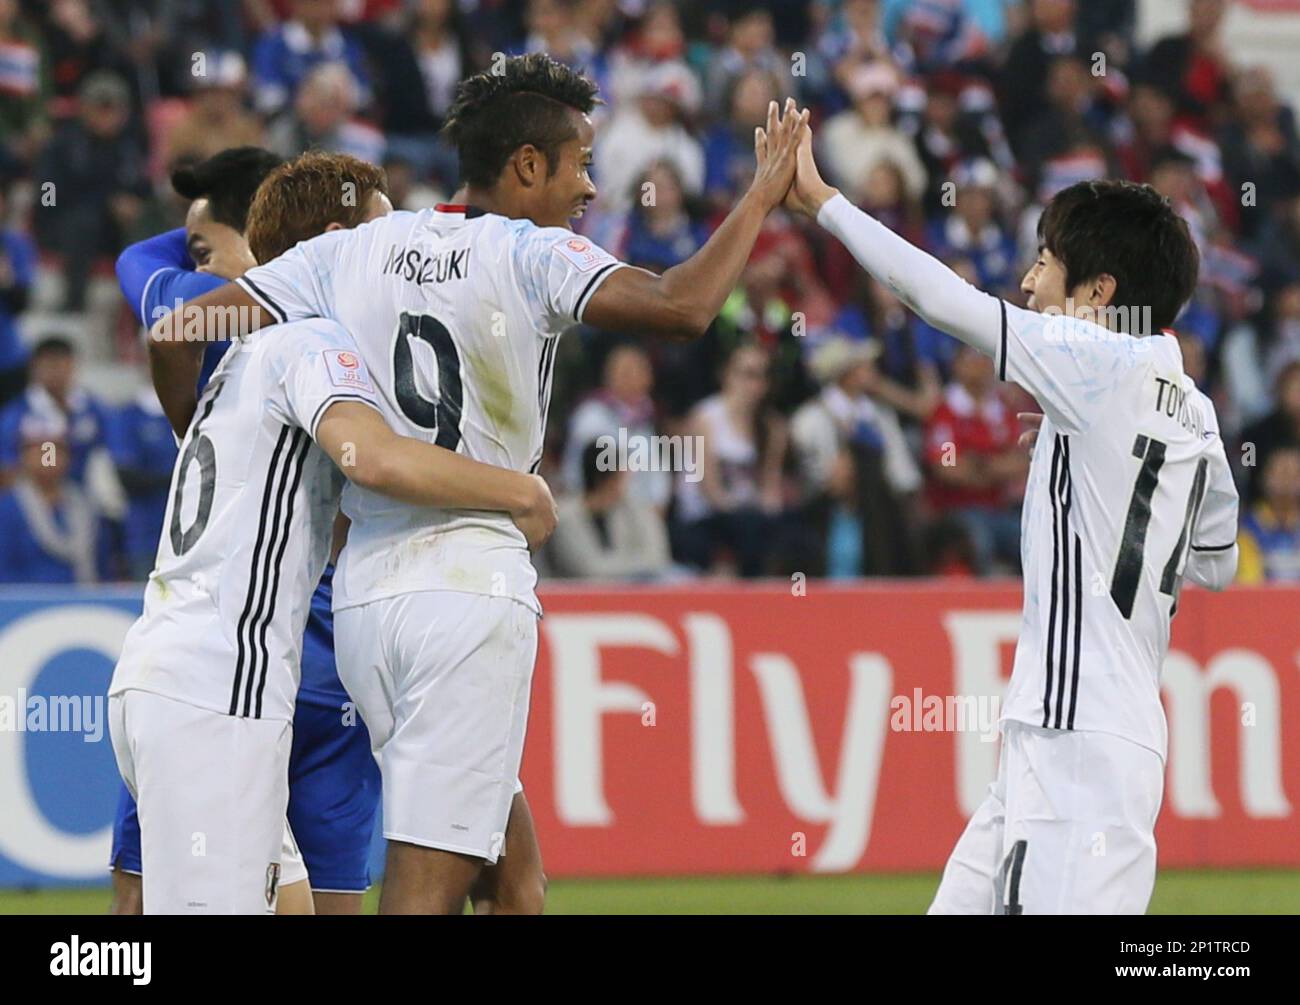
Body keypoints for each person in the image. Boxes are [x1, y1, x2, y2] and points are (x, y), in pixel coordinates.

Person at [151, 53, 807, 913]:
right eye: (578, 163)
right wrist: (761, 193)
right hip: (469, 586)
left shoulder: (352, 250)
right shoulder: (534, 254)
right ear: (526, 165)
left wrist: (194, 431)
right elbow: (685, 305)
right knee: (427, 889)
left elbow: (178, 329)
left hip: (364, 603)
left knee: (514, 882)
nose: (589, 187)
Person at [784, 122, 1239, 913]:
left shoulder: (1098, 359)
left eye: (1044, 262)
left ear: (1100, 292)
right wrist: (1095, 450)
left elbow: (944, 302)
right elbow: (1217, 562)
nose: (1028, 284)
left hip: (1076, 746)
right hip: (1092, 737)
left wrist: (826, 203)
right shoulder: (1194, 409)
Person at [107, 171, 557, 915]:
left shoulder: (238, 361)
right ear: (337, 246)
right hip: (221, 689)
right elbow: (372, 458)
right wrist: (519, 491)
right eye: (380, 235)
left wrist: (184, 420)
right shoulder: (310, 342)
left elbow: (167, 330)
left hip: (167, 669)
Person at [0, 411, 105, 583]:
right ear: (24, 456)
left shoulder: (84, 505)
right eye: (40, 450)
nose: (48, 458)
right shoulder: (8, 508)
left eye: (56, 450)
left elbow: (101, 562)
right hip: (26, 601)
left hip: (83, 599)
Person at [547, 439, 672, 580]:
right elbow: (587, 569)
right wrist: (634, 566)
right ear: (606, 479)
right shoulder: (565, 518)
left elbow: (656, 558)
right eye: (622, 475)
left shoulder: (633, 511)